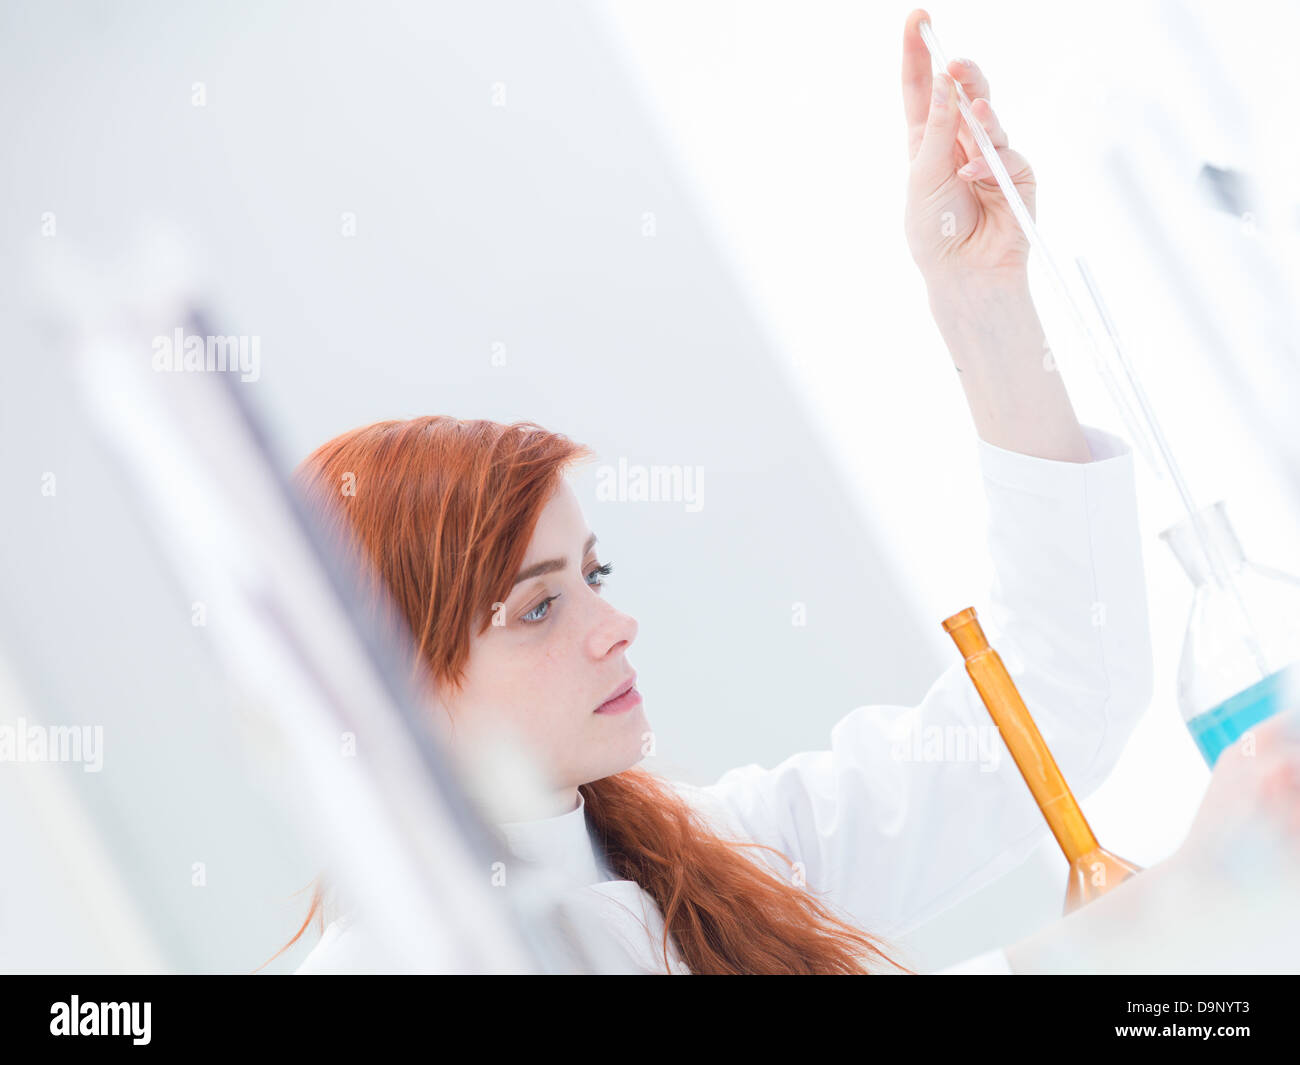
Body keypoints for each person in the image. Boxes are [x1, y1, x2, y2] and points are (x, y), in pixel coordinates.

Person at [275, 10, 1300, 974]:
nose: (615, 625)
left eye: (594, 574)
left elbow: (1054, 702)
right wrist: (1171, 913)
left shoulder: (704, 855)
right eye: (541, 606)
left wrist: (981, 296)